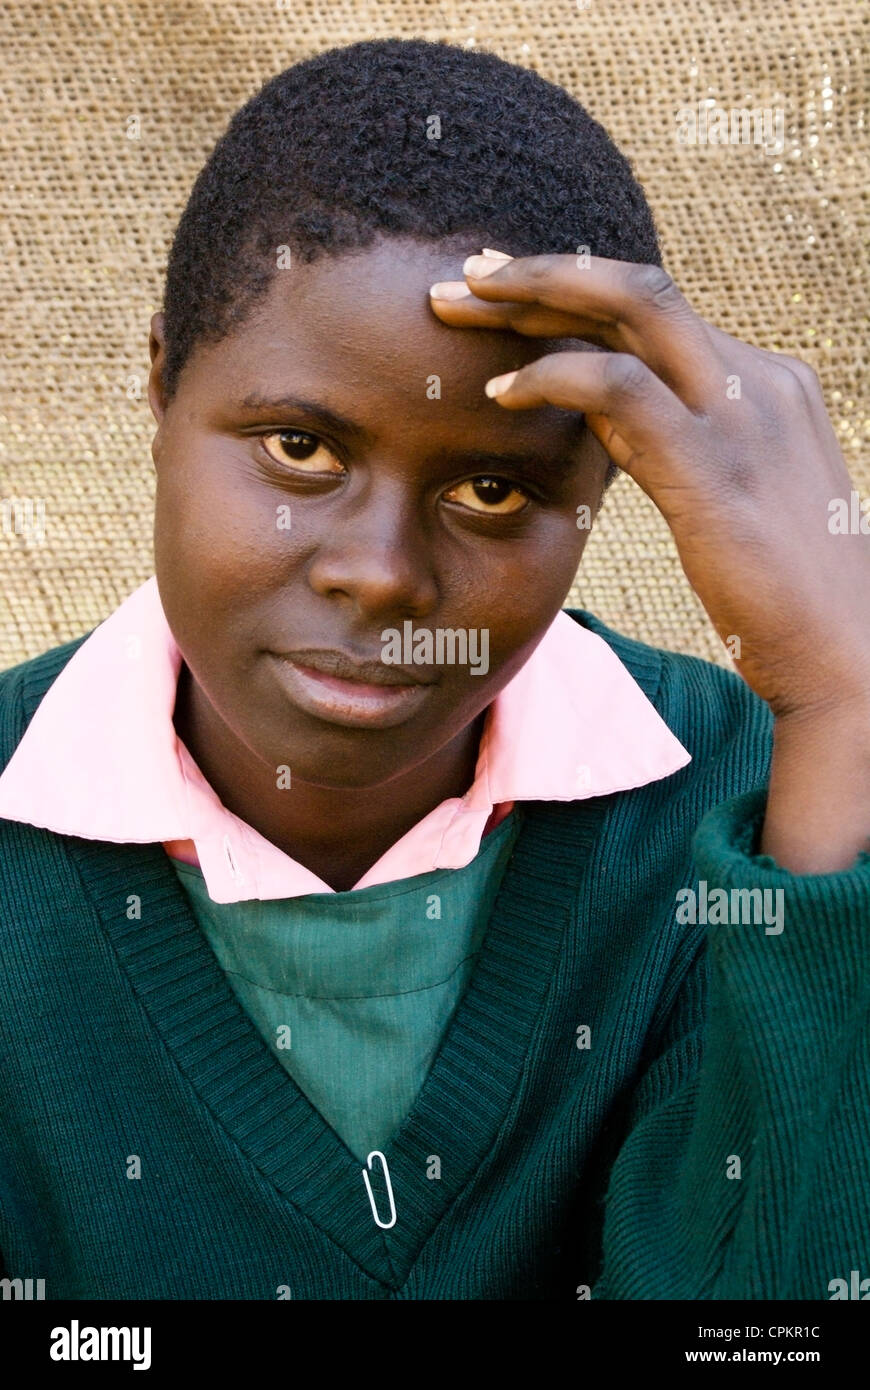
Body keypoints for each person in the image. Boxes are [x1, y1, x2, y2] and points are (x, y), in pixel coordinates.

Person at [0, 37, 867, 1302]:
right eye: (299, 447)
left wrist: (843, 705)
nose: (384, 573)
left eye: (491, 484)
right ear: (159, 385)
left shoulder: (755, 805)